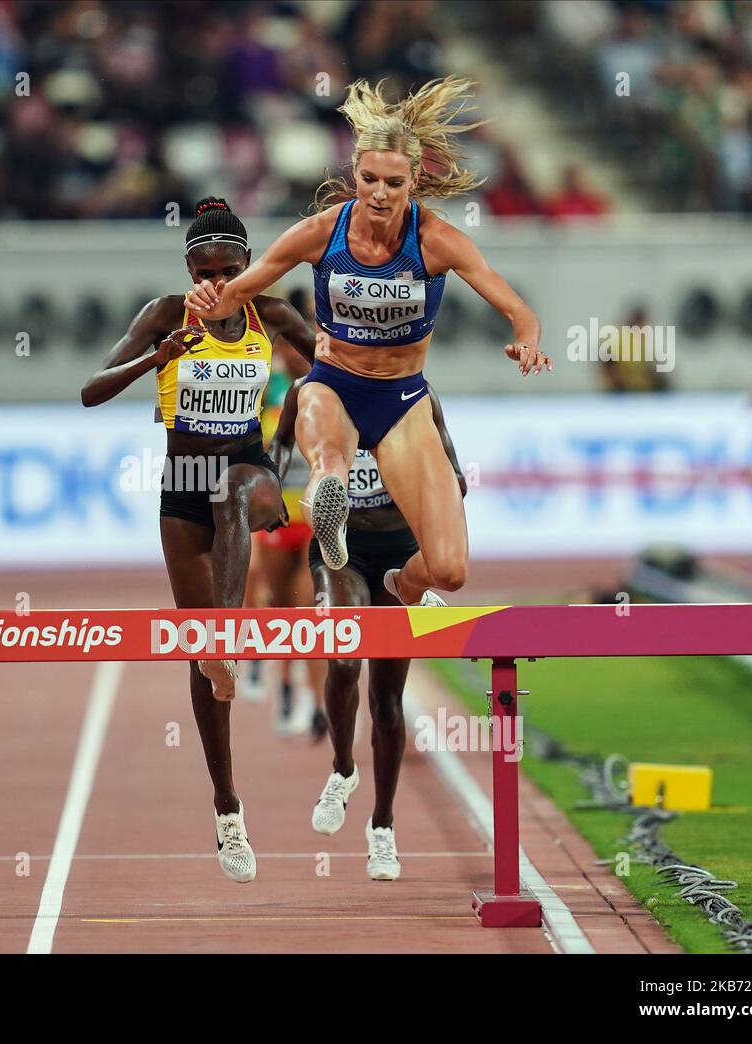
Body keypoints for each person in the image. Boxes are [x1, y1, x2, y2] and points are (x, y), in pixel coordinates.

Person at [184, 76, 548, 610]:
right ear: (354, 172)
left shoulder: (437, 241)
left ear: (414, 179)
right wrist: (206, 303)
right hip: (334, 383)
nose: (378, 193)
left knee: (449, 570)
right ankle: (328, 503)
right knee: (328, 451)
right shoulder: (321, 233)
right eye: (368, 178)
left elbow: (517, 309)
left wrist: (527, 342)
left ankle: (405, 585)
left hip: (401, 401)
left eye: (393, 183)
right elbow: (240, 288)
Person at [81, 197, 316, 882]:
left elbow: (329, 368)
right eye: (205, 269)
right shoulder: (164, 315)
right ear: (188, 266)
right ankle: (227, 810)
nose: (217, 280)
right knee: (199, 652)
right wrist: (159, 357)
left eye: (230, 268)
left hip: (251, 471)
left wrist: (295, 429)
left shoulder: (269, 315)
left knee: (237, 495)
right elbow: (90, 391)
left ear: (248, 265)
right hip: (182, 483)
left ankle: (234, 637)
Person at [274, 381, 465, 880]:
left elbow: (456, 479)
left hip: (400, 549)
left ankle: (383, 826)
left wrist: (420, 478)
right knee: (342, 656)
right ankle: (342, 769)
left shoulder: (418, 397)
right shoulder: (308, 394)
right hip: (342, 548)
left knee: (385, 698)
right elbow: (273, 460)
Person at [241, 331, 328, 739]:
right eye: (287, 344)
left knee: (308, 608)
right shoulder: (267, 390)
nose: (294, 351)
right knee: (283, 609)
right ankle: (286, 682)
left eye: (301, 342)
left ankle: (316, 701)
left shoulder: (327, 387)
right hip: (276, 520)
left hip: (311, 520)